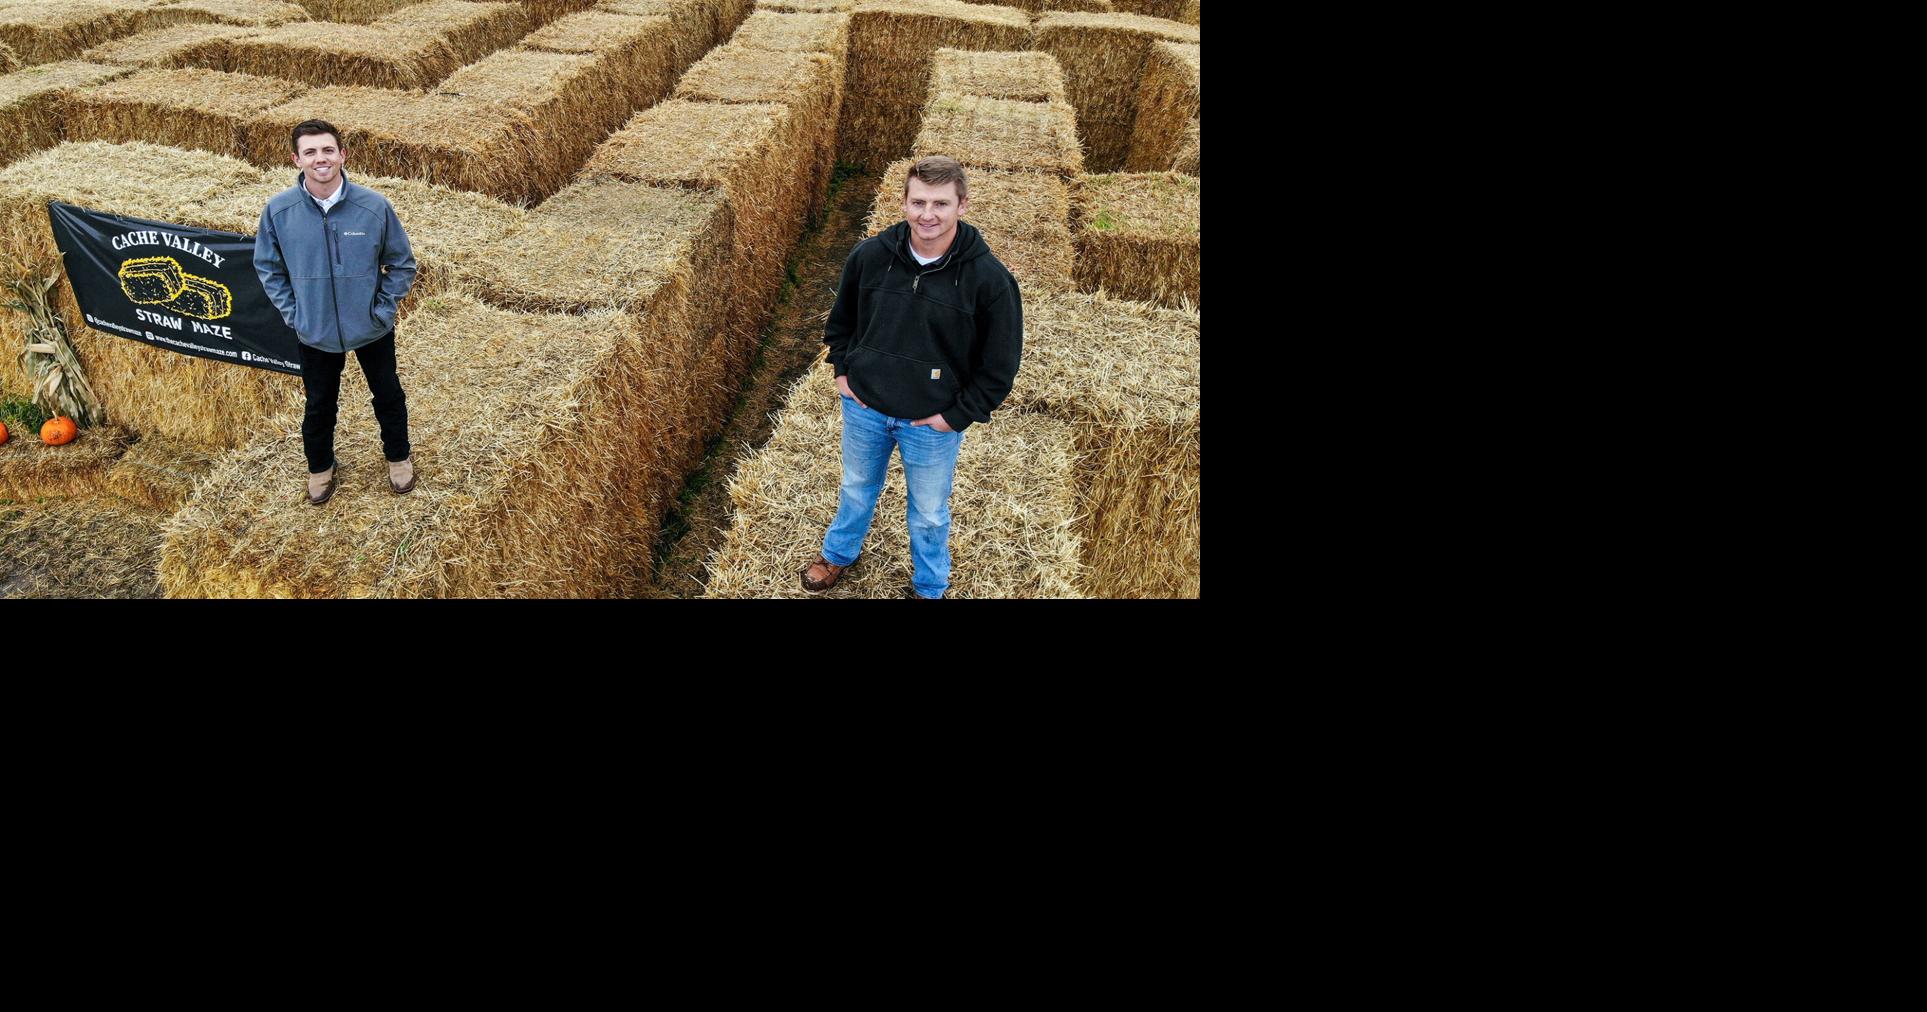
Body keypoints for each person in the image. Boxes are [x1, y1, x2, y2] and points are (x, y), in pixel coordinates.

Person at [802, 156, 1023, 599]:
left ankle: (929, 586)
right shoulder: (869, 257)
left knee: (928, 512)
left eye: (940, 203)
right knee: (856, 488)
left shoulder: (990, 281)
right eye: (918, 201)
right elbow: (840, 324)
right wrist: (844, 374)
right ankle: (839, 555)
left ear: (962, 205)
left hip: (930, 423)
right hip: (865, 408)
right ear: (903, 202)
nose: (928, 214)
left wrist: (955, 416)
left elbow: (1000, 367)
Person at [254, 118, 418, 505]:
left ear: (342, 155)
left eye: (328, 150)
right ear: (296, 159)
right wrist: (297, 315)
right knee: (319, 404)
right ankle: (320, 468)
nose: (320, 159)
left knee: (388, 395)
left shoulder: (374, 207)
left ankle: (398, 457)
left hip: (371, 328)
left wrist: (381, 310)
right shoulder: (279, 211)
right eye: (310, 152)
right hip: (315, 331)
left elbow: (402, 263)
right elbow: (268, 268)